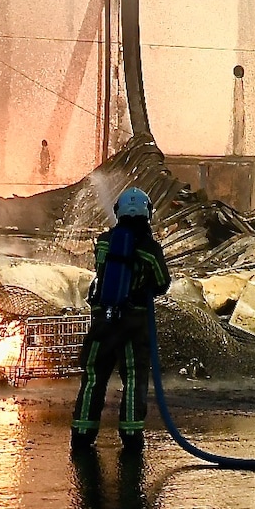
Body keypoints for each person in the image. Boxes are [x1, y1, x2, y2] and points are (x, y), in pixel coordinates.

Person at [73, 186, 171, 454]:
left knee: (94, 376)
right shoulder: (150, 248)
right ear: (146, 212)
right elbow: (163, 283)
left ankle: (82, 433)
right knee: (134, 378)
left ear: (118, 211)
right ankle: (130, 436)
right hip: (133, 324)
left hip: (102, 322)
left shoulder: (105, 241)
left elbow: (102, 272)